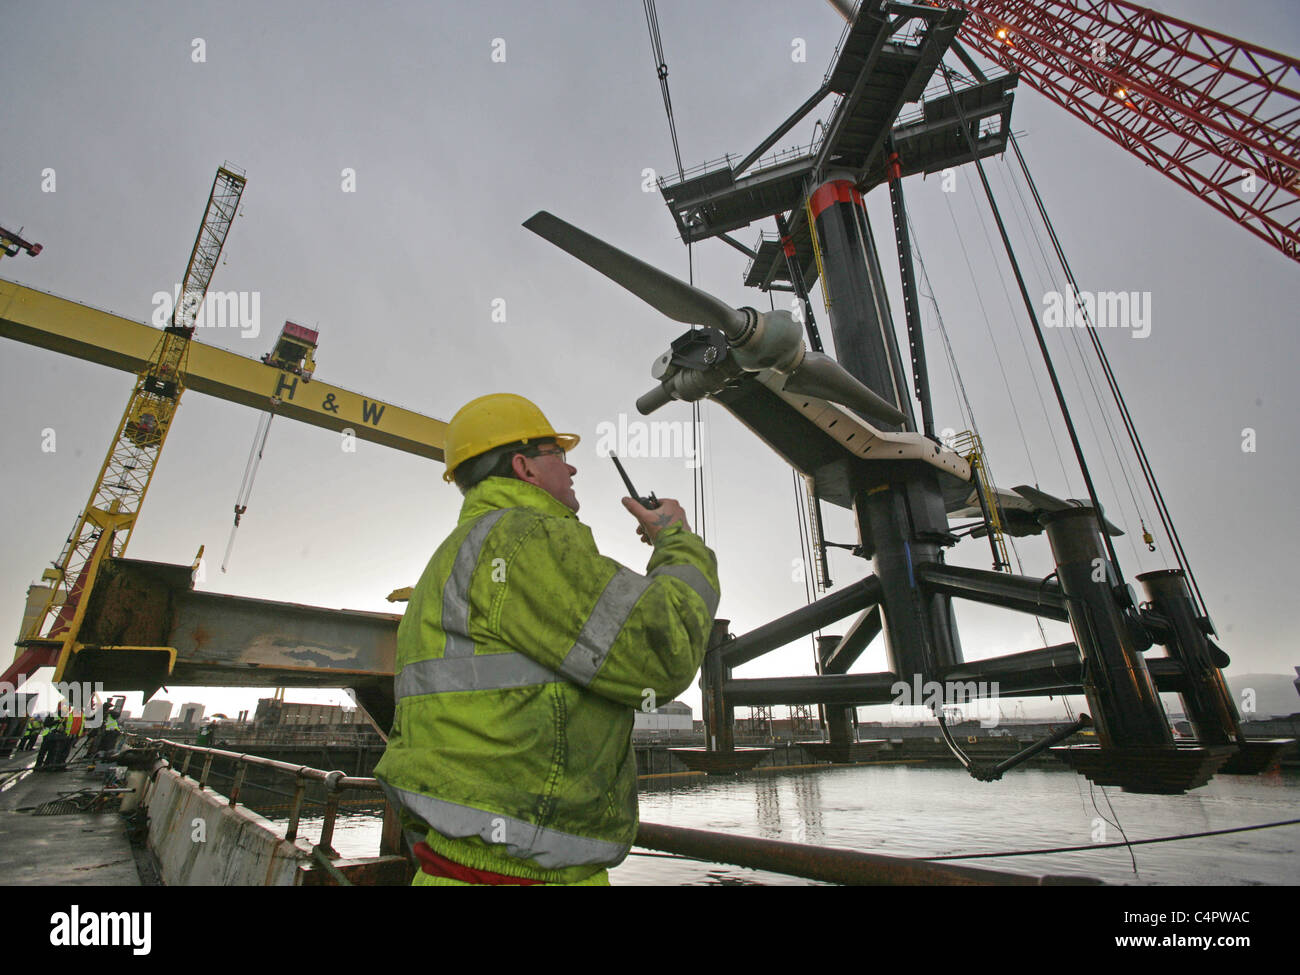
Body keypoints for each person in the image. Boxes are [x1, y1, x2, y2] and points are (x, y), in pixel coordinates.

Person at [374, 393, 719, 886]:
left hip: (455, 867)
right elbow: (664, 653)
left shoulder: (453, 555)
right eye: (557, 454)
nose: (572, 468)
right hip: (522, 876)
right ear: (525, 467)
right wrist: (677, 539)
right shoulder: (525, 539)